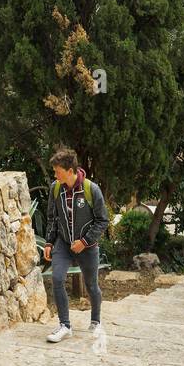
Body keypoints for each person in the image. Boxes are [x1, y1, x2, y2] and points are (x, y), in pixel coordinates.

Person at [42, 145, 109, 343]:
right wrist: (48, 242)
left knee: (91, 285)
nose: (55, 174)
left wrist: (85, 241)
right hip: (63, 243)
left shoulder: (91, 189)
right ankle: (65, 326)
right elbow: (52, 218)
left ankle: (96, 320)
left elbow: (102, 220)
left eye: (57, 171)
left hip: (87, 247)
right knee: (56, 278)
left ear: (69, 171)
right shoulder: (55, 189)